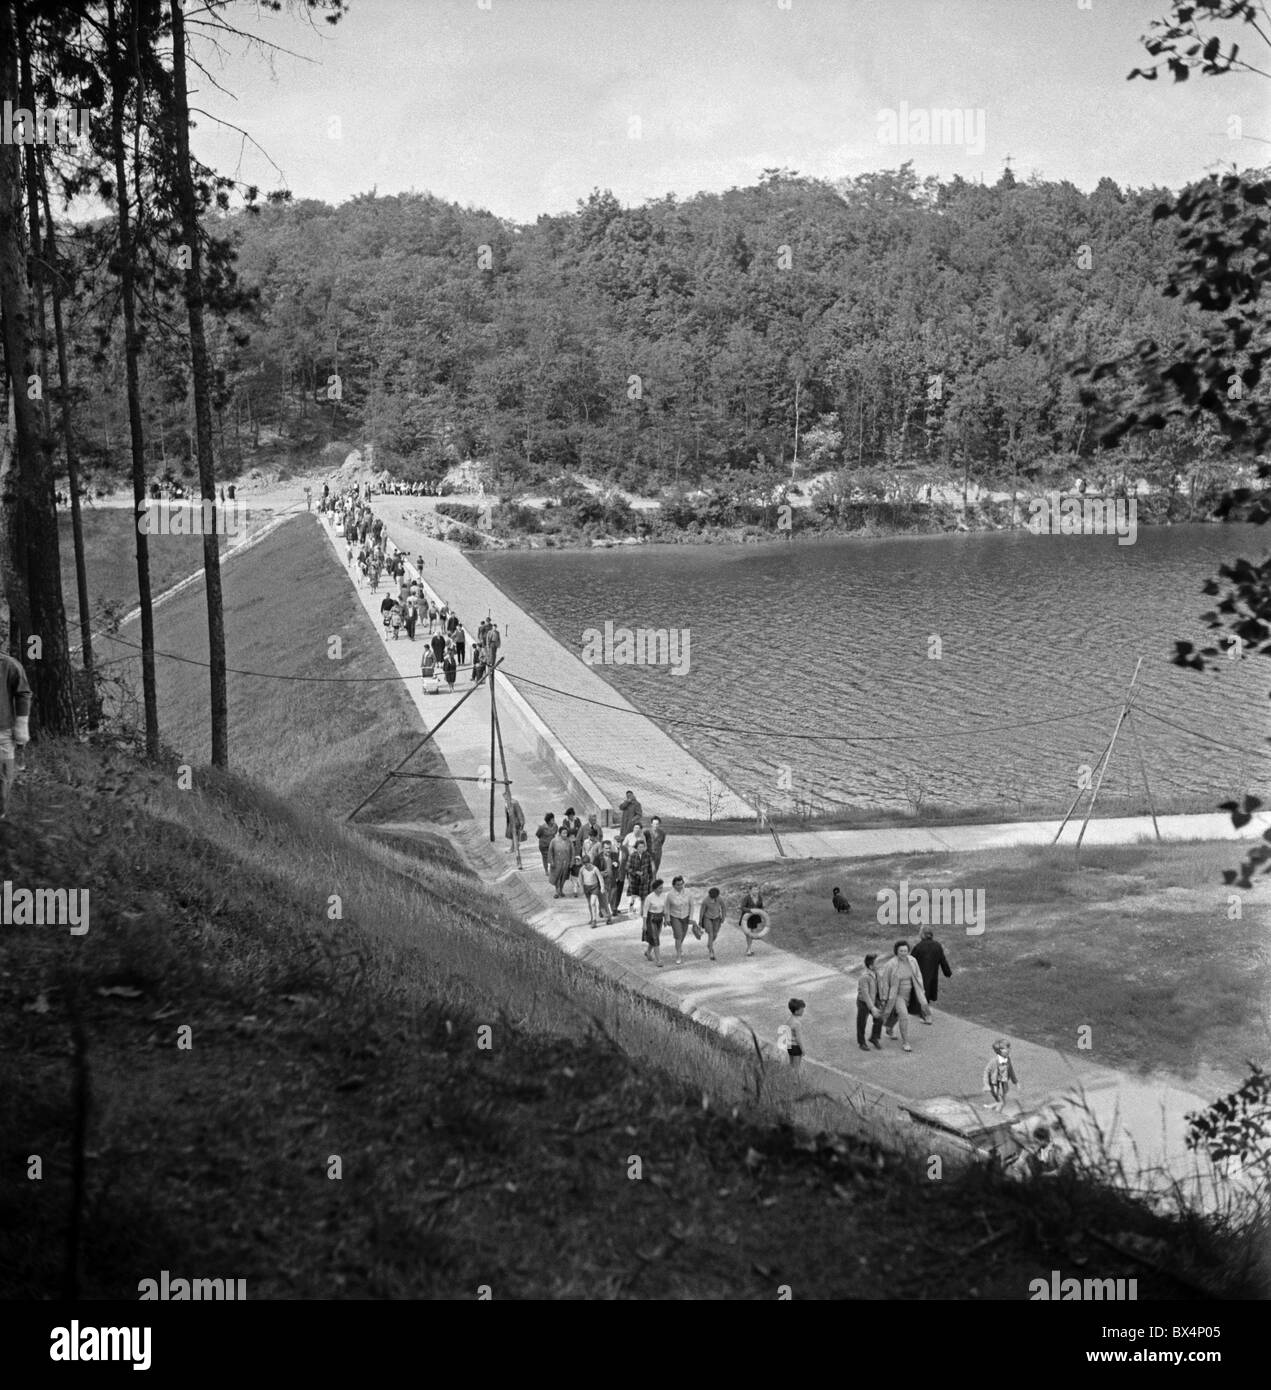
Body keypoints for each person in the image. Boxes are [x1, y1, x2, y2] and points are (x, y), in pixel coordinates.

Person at [878, 941, 930, 1051]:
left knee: (898, 1014)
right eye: (901, 951)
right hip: (897, 995)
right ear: (896, 951)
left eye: (905, 951)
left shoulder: (912, 960)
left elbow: (918, 975)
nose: (903, 953)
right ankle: (906, 1042)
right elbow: (885, 982)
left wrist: (921, 990)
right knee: (904, 1015)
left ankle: (889, 1027)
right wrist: (884, 997)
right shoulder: (890, 964)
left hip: (911, 993)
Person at [1, 650, 33, 820]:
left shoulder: (9, 665)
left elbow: (23, 693)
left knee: (3, 779)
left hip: (3, 732)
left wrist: (22, 725)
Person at [912, 927, 952, 1005]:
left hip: (920, 976)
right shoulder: (937, 946)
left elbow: (911, 961)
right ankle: (925, 1010)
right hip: (932, 975)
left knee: (920, 994)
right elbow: (943, 960)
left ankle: (922, 1013)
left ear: (923, 935)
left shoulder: (918, 947)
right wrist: (948, 973)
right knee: (928, 993)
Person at [856, 953, 884, 1051]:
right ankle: (861, 1043)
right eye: (877, 962)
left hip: (874, 1000)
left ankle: (874, 1038)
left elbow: (879, 988)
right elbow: (865, 994)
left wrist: (881, 1000)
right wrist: (872, 1008)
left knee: (879, 1019)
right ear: (871, 966)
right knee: (861, 1023)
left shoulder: (877, 973)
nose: (879, 964)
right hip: (864, 1002)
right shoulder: (864, 977)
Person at [665, 875, 693, 966]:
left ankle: (679, 948)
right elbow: (667, 907)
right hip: (675, 917)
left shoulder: (688, 892)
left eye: (681, 884)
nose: (680, 886)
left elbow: (692, 906)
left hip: (686, 916)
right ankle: (678, 955)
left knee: (683, 935)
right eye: (678, 885)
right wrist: (667, 918)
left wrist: (691, 918)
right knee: (678, 936)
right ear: (674, 885)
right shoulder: (669, 895)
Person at [983, 1039, 1018, 1112]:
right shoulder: (994, 1061)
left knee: (1001, 1102)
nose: (1009, 1049)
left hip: (1003, 1085)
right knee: (1001, 1103)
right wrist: (986, 1085)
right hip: (995, 1085)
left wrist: (1015, 1082)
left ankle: (989, 1108)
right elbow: (986, 1072)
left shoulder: (1008, 1059)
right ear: (1000, 1050)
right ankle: (996, 1116)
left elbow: (1011, 1071)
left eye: (1009, 1047)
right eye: (1007, 1048)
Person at [642, 877, 669, 967]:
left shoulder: (664, 896)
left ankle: (648, 952)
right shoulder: (649, 897)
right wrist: (644, 924)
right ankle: (658, 960)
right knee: (656, 939)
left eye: (662, 887)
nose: (661, 889)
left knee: (655, 937)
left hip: (659, 918)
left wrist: (665, 919)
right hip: (651, 919)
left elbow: (665, 908)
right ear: (655, 889)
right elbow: (645, 911)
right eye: (659, 888)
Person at [579, 856, 609, 926]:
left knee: (593, 903)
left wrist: (602, 887)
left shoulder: (595, 868)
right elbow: (580, 879)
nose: (586, 866)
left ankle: (594, 921)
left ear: (590, 862)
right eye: (585, 864)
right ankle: (592, 918)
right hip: (586, 888)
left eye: (587, 864)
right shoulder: (582, 869)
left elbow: (600, 878)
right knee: (590, 904)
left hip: (594, 887)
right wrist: (581, 888)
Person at [777, 999, 806, 1069]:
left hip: (789, 1046)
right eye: (802, 1009)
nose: (803, 1011)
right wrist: (803, 1049)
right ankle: (794, 1079)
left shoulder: (789, 1020)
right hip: (796, 1047)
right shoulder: (797, 1023)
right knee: (796, 1068)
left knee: (791, 1065)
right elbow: (798, 1038)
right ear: (796, 1011)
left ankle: (790, 1078)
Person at [625, 839, 653, 911]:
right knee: (633, 895)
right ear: (636, 847)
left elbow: (650, 868)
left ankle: (642, 910)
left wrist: (651, 878)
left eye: (643, 847)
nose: (641, 848)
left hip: (644, 879)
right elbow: (628, 868)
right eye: (640, 847)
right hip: (634, 879)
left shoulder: (647, 855)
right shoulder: (632, 856)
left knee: (644, 896)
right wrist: (635, 872)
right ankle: (631, 906)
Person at [697, 887, 724, 961]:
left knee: (715, 934)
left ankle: (709, 944)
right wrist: (700, 921)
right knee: (711, 934)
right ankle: (711, 952)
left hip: (717, 918)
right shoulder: (705, 901)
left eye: (714, 897)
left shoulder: (720, 899)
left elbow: (723, 907)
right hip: (707, 918)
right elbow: (702, 911)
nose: (712, 899)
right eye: (711, 897)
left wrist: (723, 917)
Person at [548, 823, 575, 899]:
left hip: (566, 863)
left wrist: (572, 862)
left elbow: (573, 852)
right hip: (556, 863)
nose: (565, 835)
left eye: (566, 833)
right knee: (556, 877)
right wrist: (551, 861)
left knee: (563, 877)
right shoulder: (554, 841)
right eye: (563, 833)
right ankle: (557, 891)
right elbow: (550, 852)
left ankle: (561, 890)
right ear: (560, 833)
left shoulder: (569, 841)